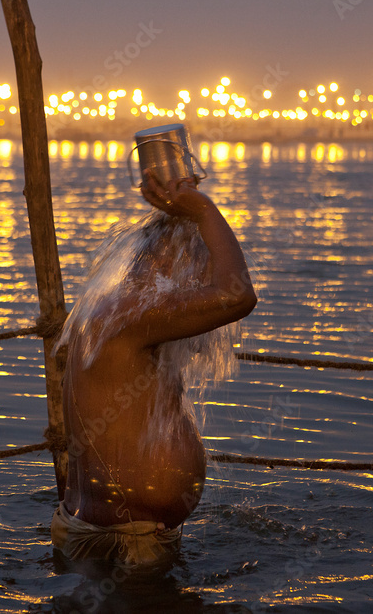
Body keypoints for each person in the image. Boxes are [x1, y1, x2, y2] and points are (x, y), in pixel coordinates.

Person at [51, 172, 257, 566]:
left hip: (114, 536)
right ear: (173, 263)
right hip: (122, 547)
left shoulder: (121, 306)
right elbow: (236, 295)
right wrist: (204, 209)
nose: (201, 287)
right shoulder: (132, 312)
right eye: (200, 271)